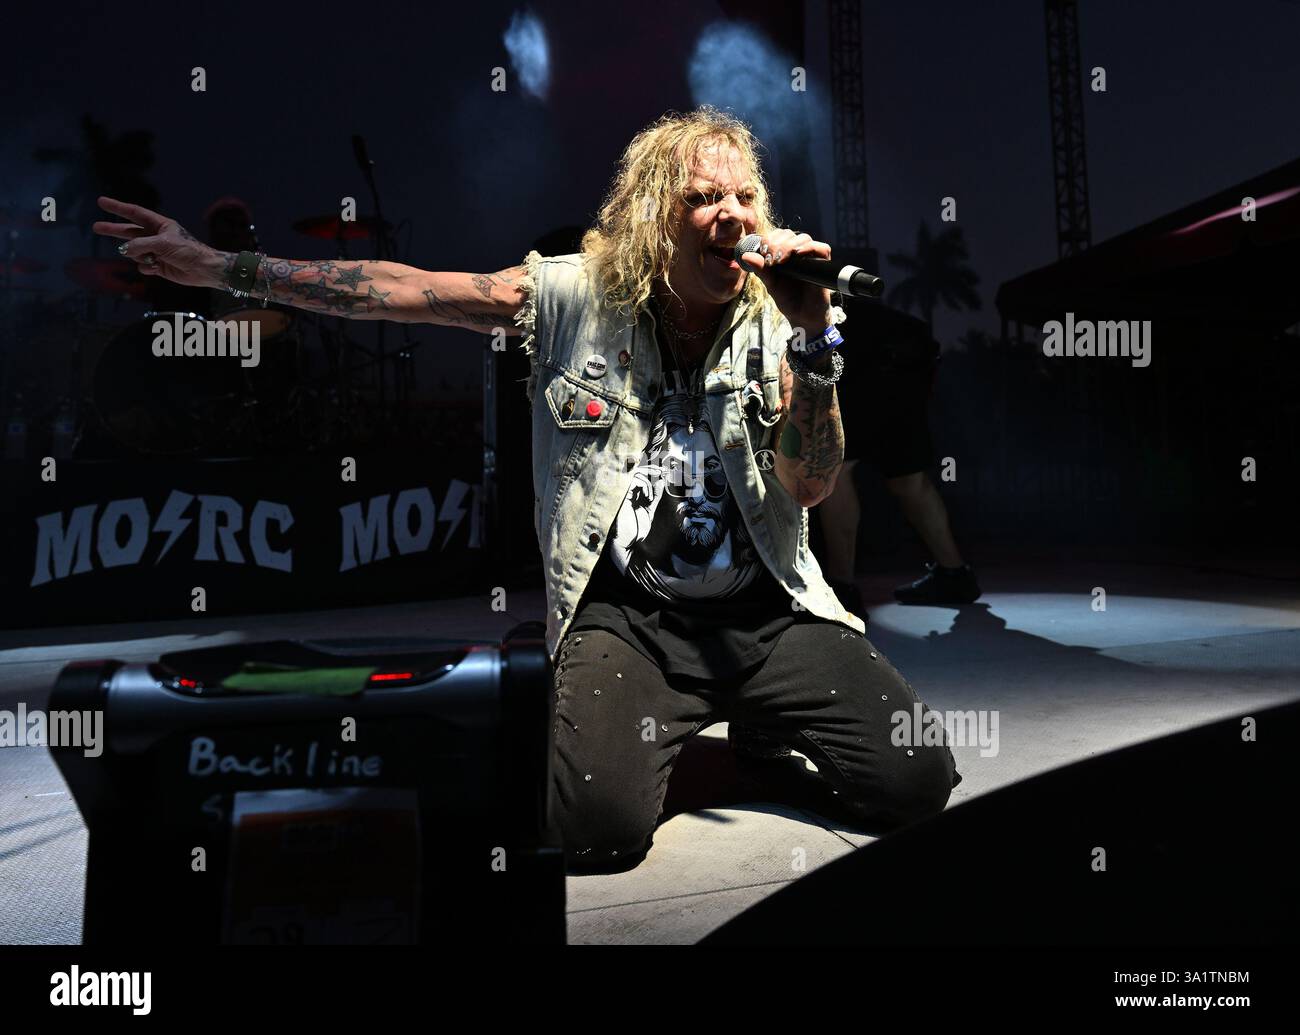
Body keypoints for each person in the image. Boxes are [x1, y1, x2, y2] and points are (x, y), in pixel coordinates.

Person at [94, 106, 960, 873]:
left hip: (764, 610)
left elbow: (810, 488)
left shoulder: (781, 316)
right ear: (653, 220)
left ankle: (761, 718)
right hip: (633, 616)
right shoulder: (573, 297)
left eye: (742, 199)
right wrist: (220, 269)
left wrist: (813, 352)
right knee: (593, 833)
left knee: (917, 782)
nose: (730, 216)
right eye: (702, 199)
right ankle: (625, 700)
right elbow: (407, 291)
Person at [815, 301, 981, 612]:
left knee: (835, 469)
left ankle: (841, 590)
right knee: (908, 477)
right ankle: (955, 574)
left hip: (858, 353)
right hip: (904, 353)